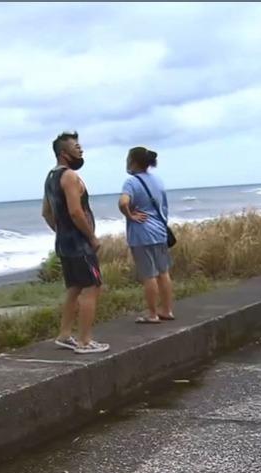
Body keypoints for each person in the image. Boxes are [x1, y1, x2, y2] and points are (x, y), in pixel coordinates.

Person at [41, 131, 109, 354]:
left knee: (74, 288)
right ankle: (85, 341)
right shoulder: (69, 176)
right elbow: (76, 212)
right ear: (63, 153)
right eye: (75, 147)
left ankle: (64, 335)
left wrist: (62, 232)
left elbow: (46, 212)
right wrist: (90, 237)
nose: (80, 150)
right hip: (80, 245)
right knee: (92, 287)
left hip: (64, 243)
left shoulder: (51, 176)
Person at [118, 146, 175, 324]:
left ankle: (152, 314)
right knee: (163, 273)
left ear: (134, 162)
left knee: (149, 275)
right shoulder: (157, 180)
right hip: (160, 232)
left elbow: (123, 202)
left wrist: (130, 215)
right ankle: (167, 310)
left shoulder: (131, 182)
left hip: (142, 234)